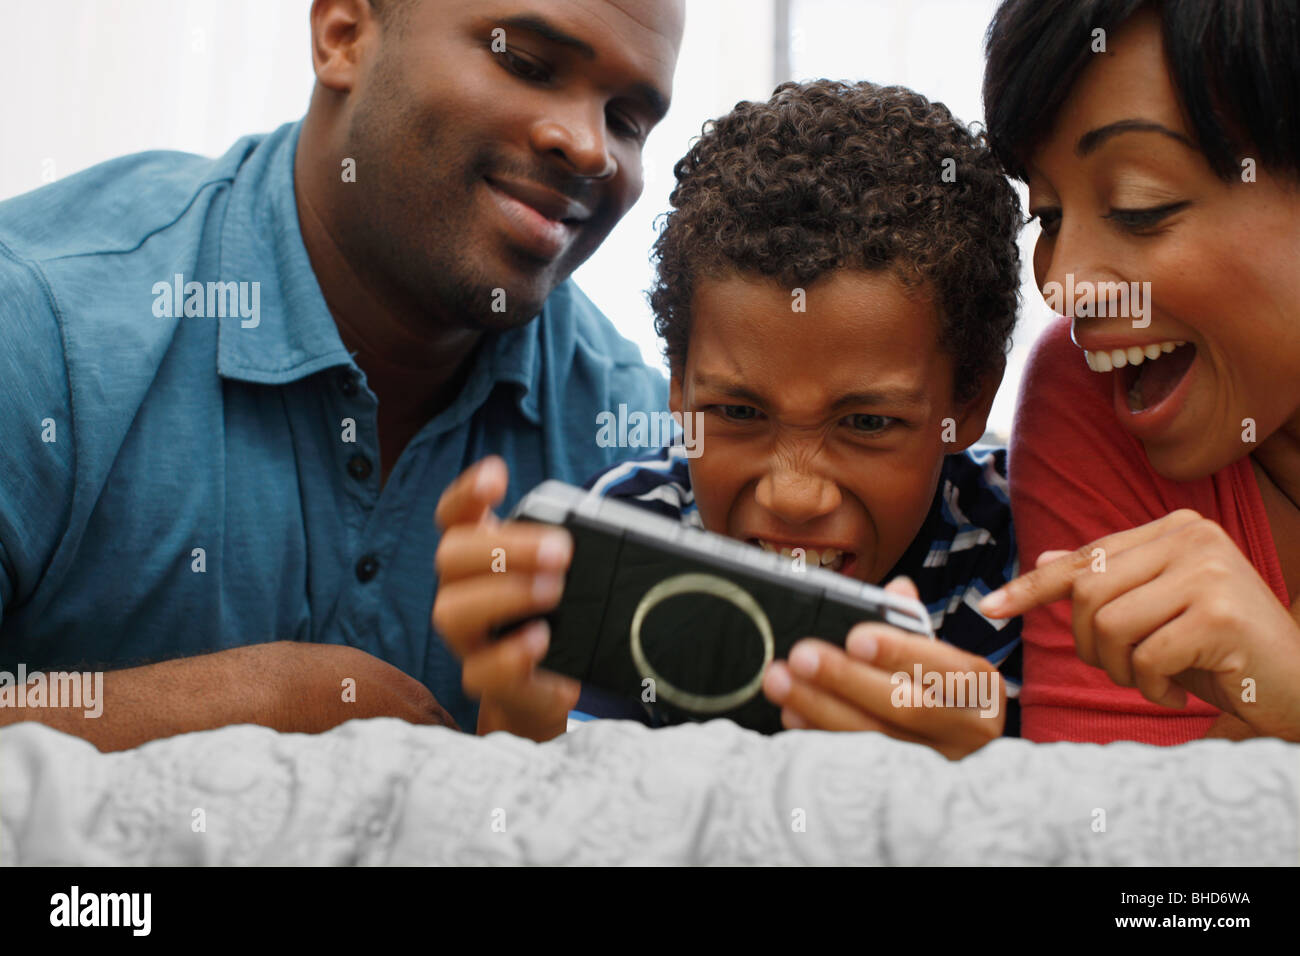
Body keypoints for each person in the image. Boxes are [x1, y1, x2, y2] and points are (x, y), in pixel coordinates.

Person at [0, 0, 684, 749]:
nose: (589, 149)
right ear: (344, 35)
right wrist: (234, 709)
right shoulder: (41, 324)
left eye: (626, 122)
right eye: (524, 63)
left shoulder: (640, 456)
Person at [434, 80, 1026, 758]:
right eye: (738, 412)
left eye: (867, 424)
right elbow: (561, 816)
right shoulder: (635, 539)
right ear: (679, 389)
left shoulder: (1021, 560)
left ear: (969, 400)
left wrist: (982, 773)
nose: (794, 497)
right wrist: (520, 707)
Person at [977, 0, 1300, 743]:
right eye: (1049, 215)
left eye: (1139, 206)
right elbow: (1105, 830)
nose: (1063, 285)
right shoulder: (1089, 390)